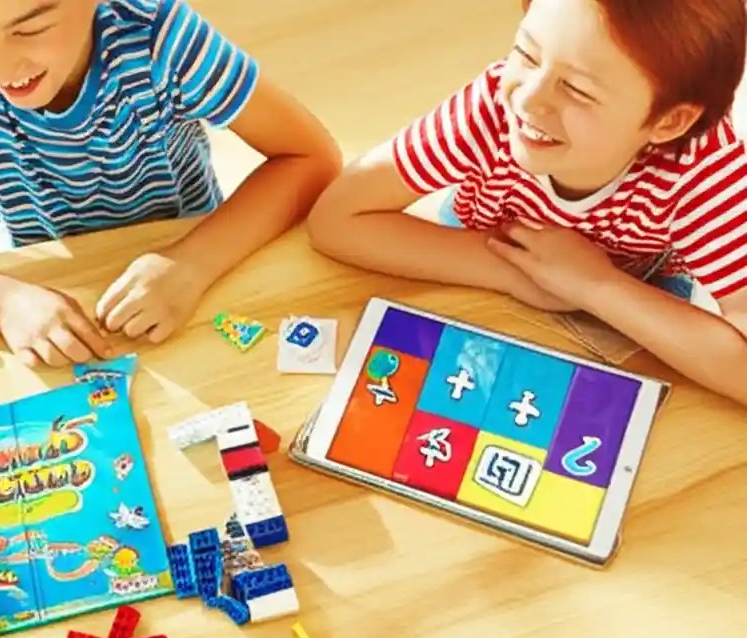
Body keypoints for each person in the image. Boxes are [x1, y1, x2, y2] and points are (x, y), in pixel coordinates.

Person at [0, 0, 342, 368]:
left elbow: (312, 158)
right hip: (50, 289)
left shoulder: (160, 38)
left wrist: (192, 263)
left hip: (198, 253)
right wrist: (2, 299)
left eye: (29, 29)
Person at [307, 0, 747, 405]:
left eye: (577, 89)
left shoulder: (705, 172)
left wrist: (595, 285)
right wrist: (513, 271)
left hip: (635, 291)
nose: (527, 99)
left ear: (669, 122)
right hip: (481, 250)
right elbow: (337, 216)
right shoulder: (491, 109)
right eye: (527, 53)